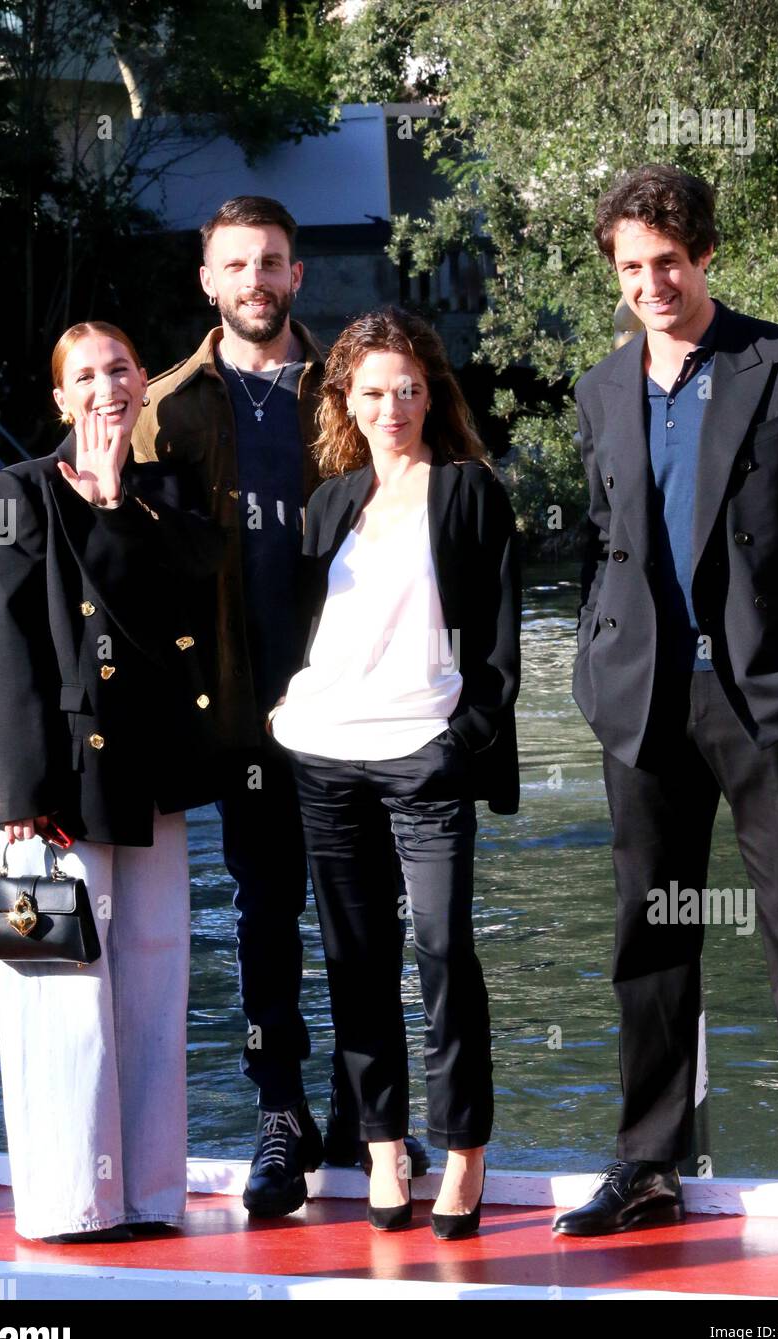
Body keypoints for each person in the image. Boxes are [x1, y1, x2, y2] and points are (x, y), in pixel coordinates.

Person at [556, 165, 778, 1246]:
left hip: (763, 693)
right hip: (642, 704)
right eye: (632, 267)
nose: (652, 282)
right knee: (648, 937)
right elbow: (609, 537)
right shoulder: (602, 390)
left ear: (704, 256)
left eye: (669, 262)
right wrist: (594, 662)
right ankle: (646, 1162)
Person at [131, 197, 427, 1219]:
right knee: (264, 915)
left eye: (272, 263)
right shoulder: (161, 408)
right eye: (235, 266)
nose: (255, 281)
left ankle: (366, 1107)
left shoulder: (357, 390)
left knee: (367, 914)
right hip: (244, 714)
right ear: (208, 282)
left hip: (361, 702)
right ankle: (279, 1112)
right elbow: (121, 571)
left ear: (298, 275)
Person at [270, 306, 521, 1237]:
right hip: (325, 753)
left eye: (408, 388)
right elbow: (298, 622)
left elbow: (497, 643)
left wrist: (466, 738)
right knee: (355, 959)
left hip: (425, 754)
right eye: (373, 391)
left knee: (445, 949)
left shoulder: (468, 492)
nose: (393, 405)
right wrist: (282, 706)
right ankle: (382, 1148)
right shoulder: (331, 501)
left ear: (431, 392)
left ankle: (462, 1154)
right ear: (347, 399)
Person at [0, 321, 227, 1242]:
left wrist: (123, 500)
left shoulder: (165, 495)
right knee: (59, 992)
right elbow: (6, 656)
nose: (106, 388)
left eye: (119, 369)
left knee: (157, 984)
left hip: (152, 774)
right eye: (84, 376)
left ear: (141, 383)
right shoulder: (19, 491)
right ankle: (72, 1206)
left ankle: (149, 1197)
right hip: (59, 789)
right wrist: (18, 797)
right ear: (59, 398)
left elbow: (197, 582)